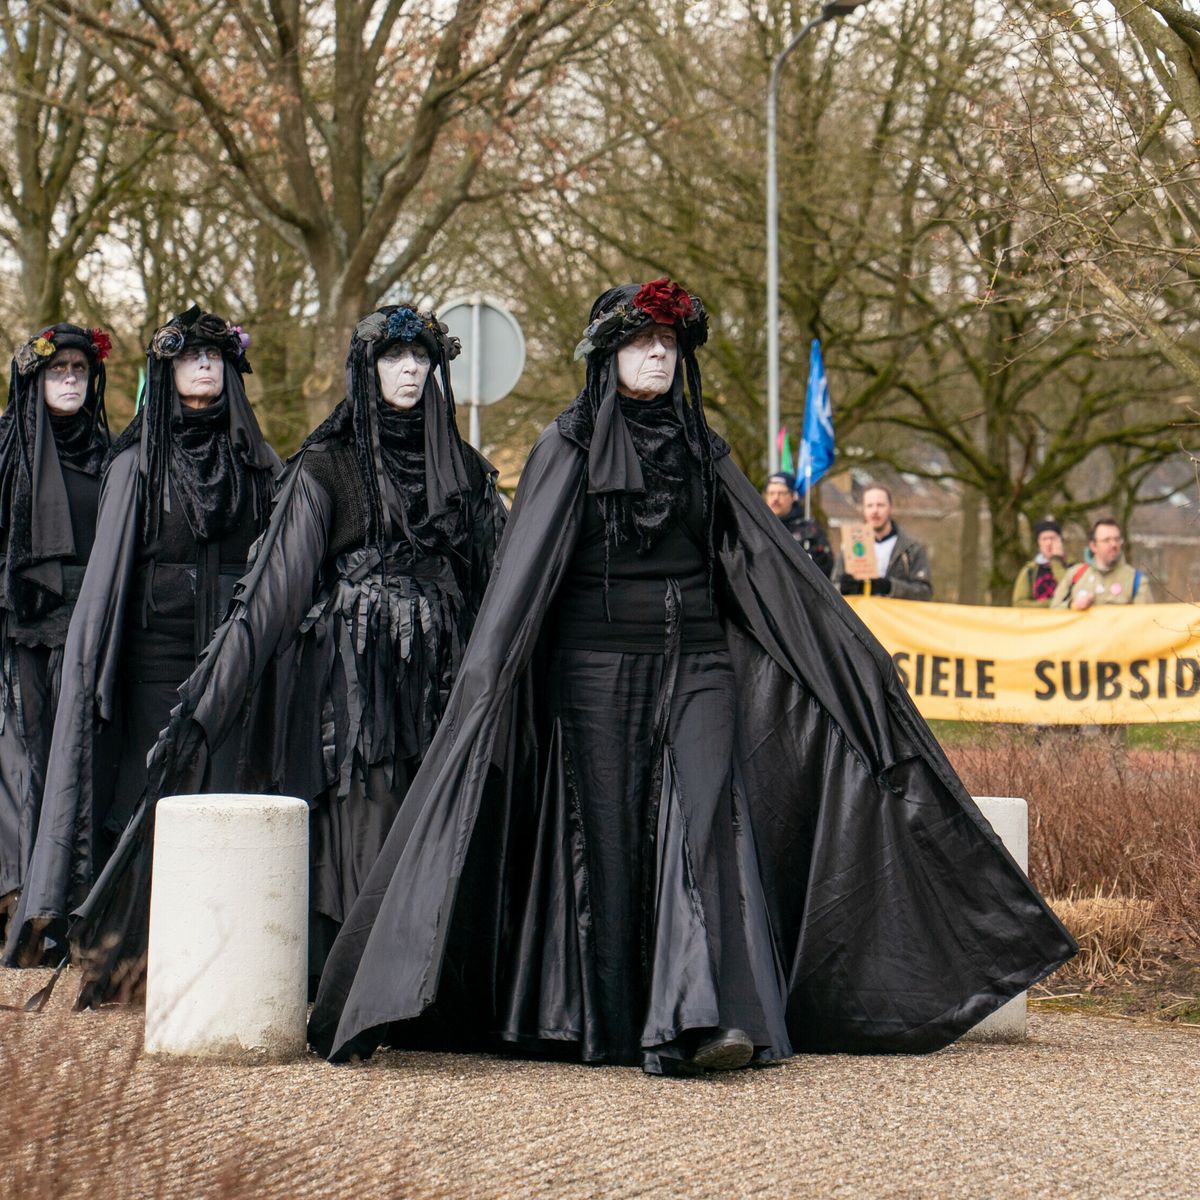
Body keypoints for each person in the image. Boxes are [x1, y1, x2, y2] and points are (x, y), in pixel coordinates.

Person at [307, 277, 1074, 1076]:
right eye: (642, 341)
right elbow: (520, 582)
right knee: (608, 840)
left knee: (708, 823)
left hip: (699, 662)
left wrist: (850, 657)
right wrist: (483, 692)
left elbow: (769, 566)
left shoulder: (704, 451)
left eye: (669, 343)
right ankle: (619, 1019)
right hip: (594, 670)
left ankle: (714, 1016)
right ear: (608, 352)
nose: (657, 355)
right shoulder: (566, 448)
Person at [54, 304, 506, 1005]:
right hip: (358, 686)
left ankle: (435, 993)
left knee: (443, 815)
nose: (410, 370)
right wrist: (210, 700)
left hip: (443, 679)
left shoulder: (468, 471)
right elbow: (272, 593)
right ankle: (360, 990)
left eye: (421, 358)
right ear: (367, 369)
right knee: (369, 819)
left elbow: (498, 579)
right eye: (393, 357)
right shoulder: (326, 467)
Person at [2, 306, 280, 969]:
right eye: (189, 356)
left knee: (227, 788)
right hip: (118, 650)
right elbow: (113, 573)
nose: (204, 364)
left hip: (230, 654)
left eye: (215, 355)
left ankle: (222, 939)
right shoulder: (134, 463)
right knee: (101, 784)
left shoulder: (258, 462)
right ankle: (120, 940)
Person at [0, 325, 112, 941]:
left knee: (79, 760)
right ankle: (21, 900)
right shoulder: (7, 450)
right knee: (26, 762)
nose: (70, 379)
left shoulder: (110, 455)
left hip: (88, 624)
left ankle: (68, 902)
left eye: (79, 370)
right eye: (56, 370)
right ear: (34, 378)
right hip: (21, 623)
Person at [835, 484, 932, 600]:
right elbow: (830, 588)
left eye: (880, 505)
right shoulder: (849, 546)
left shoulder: (911, 548)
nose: (875, 510)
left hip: (893, 612)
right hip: (858, 611)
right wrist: (843, 589)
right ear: (863, 509)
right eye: (869, 506)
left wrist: (890, 587)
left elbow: (924, 593)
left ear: (890, 508)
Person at [1051, 518, 1153, 608]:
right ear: (1093, 546)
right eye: (1107, 540)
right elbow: (1053, 611)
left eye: (1117, 539)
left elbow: (1147, 619)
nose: (1113, 544)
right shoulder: (1075, 575)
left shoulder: (1136, 580)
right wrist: (1073, 605)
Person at [762, 471, 833, 576]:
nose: (775, 498)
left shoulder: (809, 530)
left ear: (792, 496)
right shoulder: (758, 527)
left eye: (781, 493)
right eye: (771, 493)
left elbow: (825, 569)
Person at [1011, 519, 1073, 607]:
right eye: (1044, 539)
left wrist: (1055, 561)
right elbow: (1019, 603)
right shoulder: (1030, 570)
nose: (1049, 543)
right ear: (1039, 543)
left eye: (1052, 538)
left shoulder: (1073, 566)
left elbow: (1072, 591)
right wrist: (1051, 604)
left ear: (1060, 541)